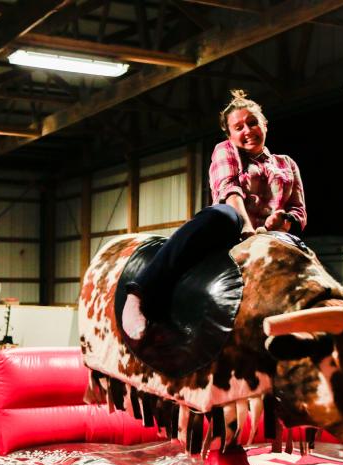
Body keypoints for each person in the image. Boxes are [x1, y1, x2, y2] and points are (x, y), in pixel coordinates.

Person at [122, 89, 307, 342]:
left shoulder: (287, 163)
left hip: (272, 237)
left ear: (264, 124)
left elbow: (298, 209)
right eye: (238, 127)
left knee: (304, 256)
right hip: (235, 229)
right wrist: (247, 230)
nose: (247, 130)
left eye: (252, 123)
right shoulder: (225, 150)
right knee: (221, 215)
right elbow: (229, 189)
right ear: (230, 134)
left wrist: (284, 221)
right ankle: (139, 293)